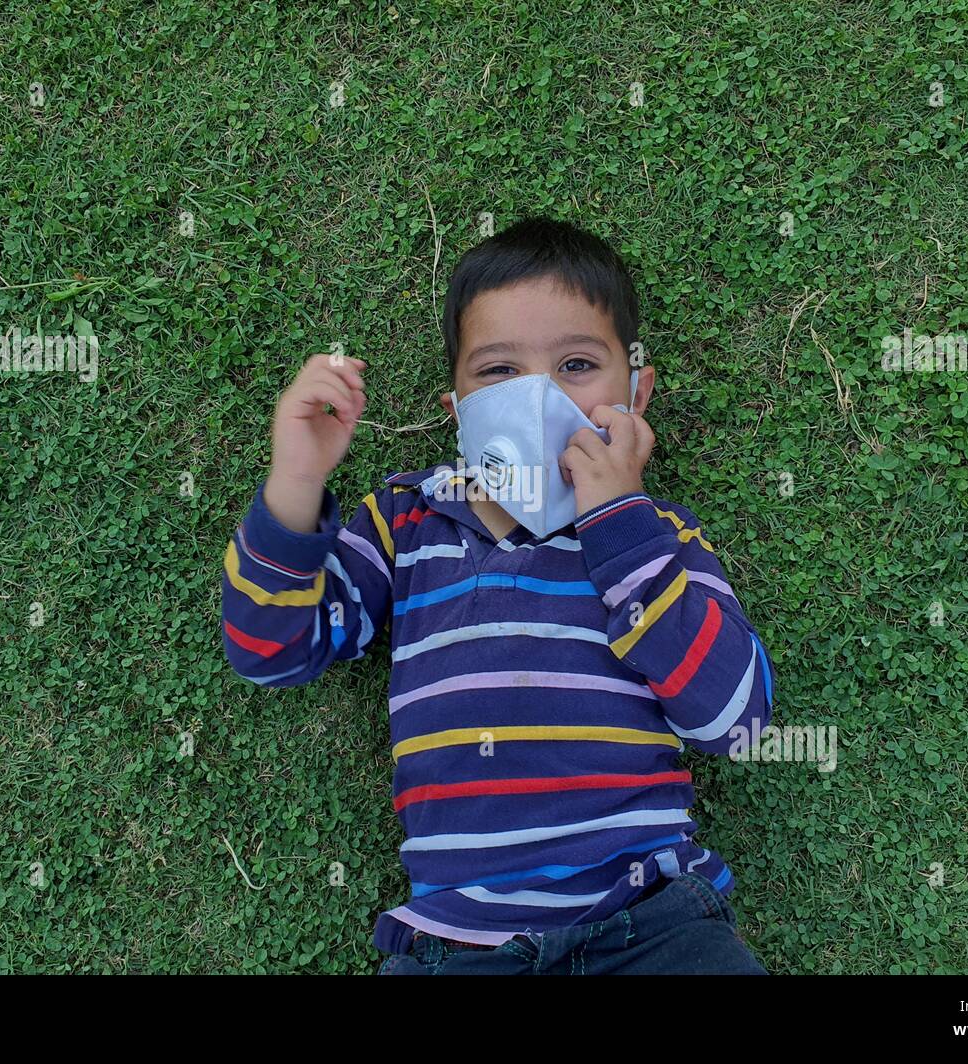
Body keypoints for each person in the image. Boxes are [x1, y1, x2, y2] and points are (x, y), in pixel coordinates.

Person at [221, 217, 774, 974]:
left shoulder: (661, 540)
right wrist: (296, 481)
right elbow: (270, 654)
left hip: (649, 928)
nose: (538, 398)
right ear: (457, 410)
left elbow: (734, 722)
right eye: (497, 373)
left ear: (636, 393)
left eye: (577, 364)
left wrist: (621, 529)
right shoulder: (406, 518)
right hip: (457, 947)